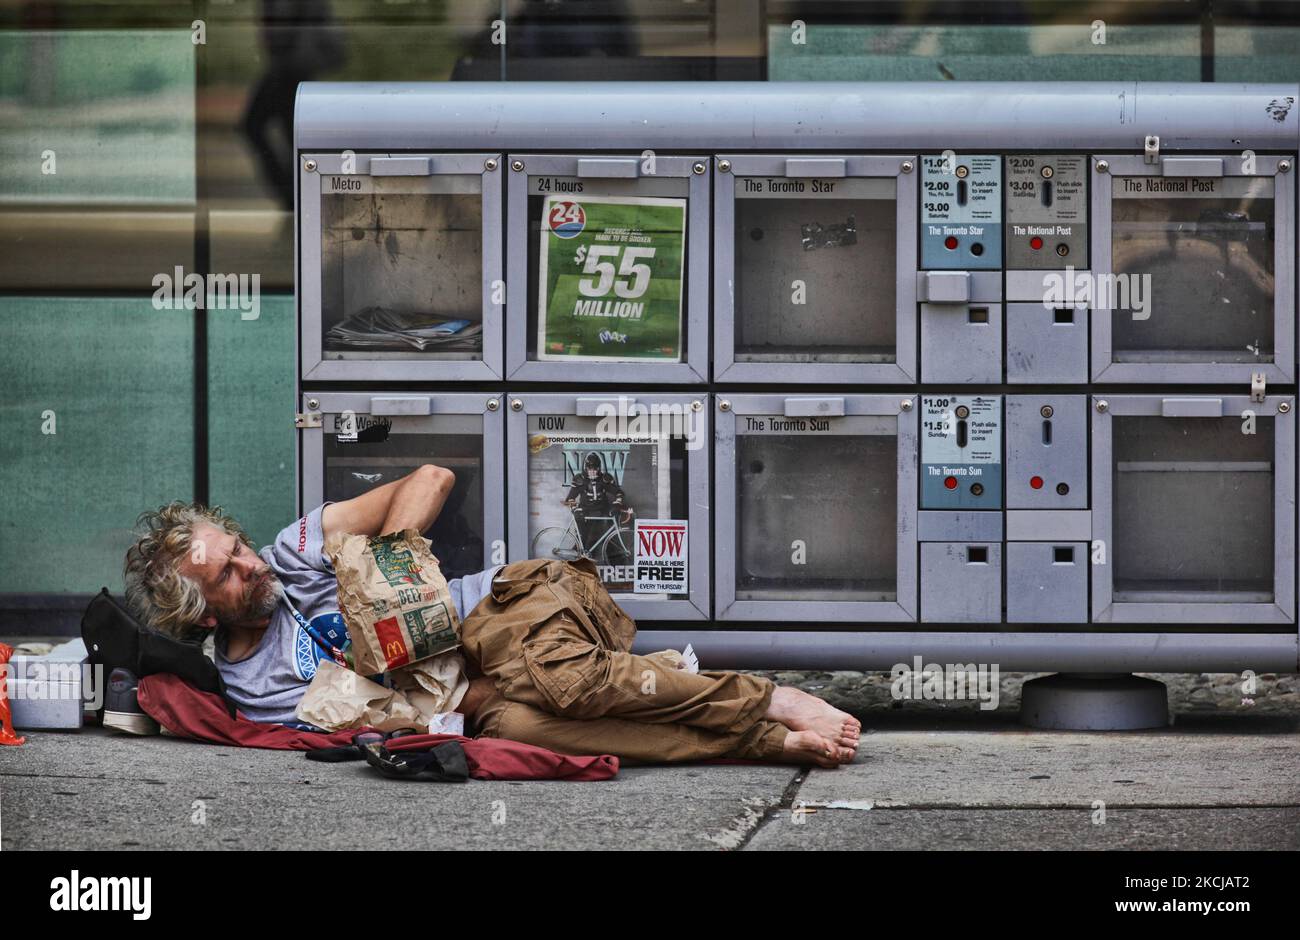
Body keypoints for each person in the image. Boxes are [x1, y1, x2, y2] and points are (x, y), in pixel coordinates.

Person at [123, 466, 860, 767]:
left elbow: (433, 477)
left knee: (557, 680)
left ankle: (770, 696)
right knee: (542, 728)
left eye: (238, 547)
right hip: (475, 698)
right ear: (204, 615)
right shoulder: (249, 687)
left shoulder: (297, 550)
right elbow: (363, 723)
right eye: (227, 573)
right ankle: (765, 741)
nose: (251, 565)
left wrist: (389, 578)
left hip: (506, 608)